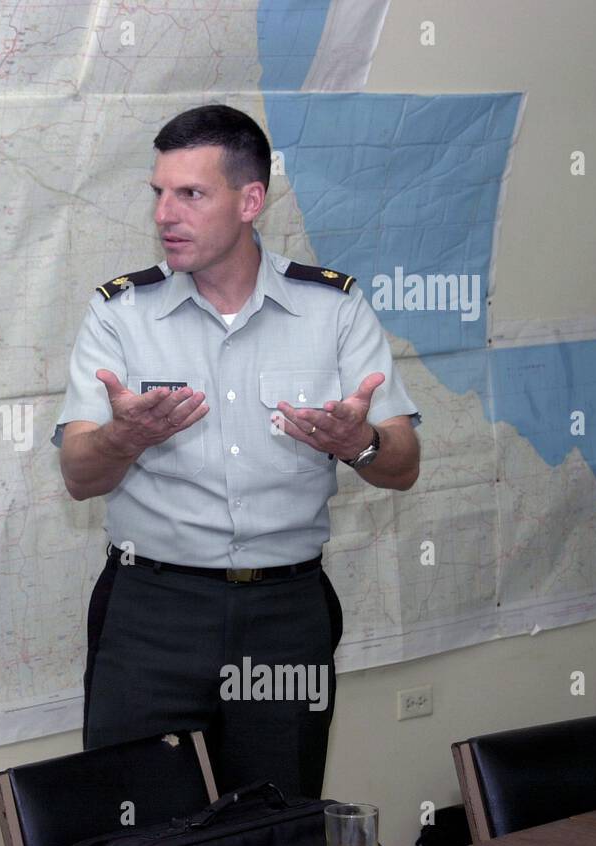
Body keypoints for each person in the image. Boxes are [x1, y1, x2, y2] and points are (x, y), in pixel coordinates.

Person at [55, 104, 421, 798]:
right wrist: (122, 438)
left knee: (276, 821)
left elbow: (403, 462)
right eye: (158, 193)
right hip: (151, 614)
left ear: (251, 200)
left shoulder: (334, 310)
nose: (167, 213)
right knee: (133, 823)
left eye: (191, 194)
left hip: (284, 617)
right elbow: (78, 475)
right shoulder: (118, 315)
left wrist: (361, 442)